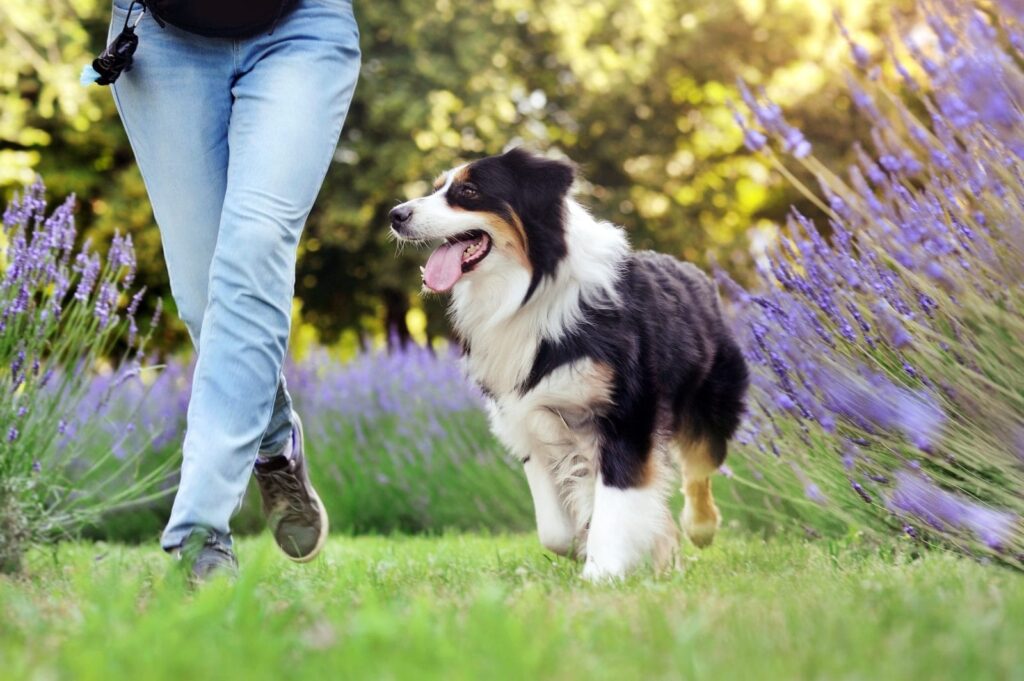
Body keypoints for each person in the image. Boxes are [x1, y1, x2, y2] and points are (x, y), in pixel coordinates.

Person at [105, 0, 361, 580]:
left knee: (255, 247)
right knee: (203, 298)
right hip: (163, 39)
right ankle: (274, 440)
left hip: (302, 27)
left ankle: (200, 532)